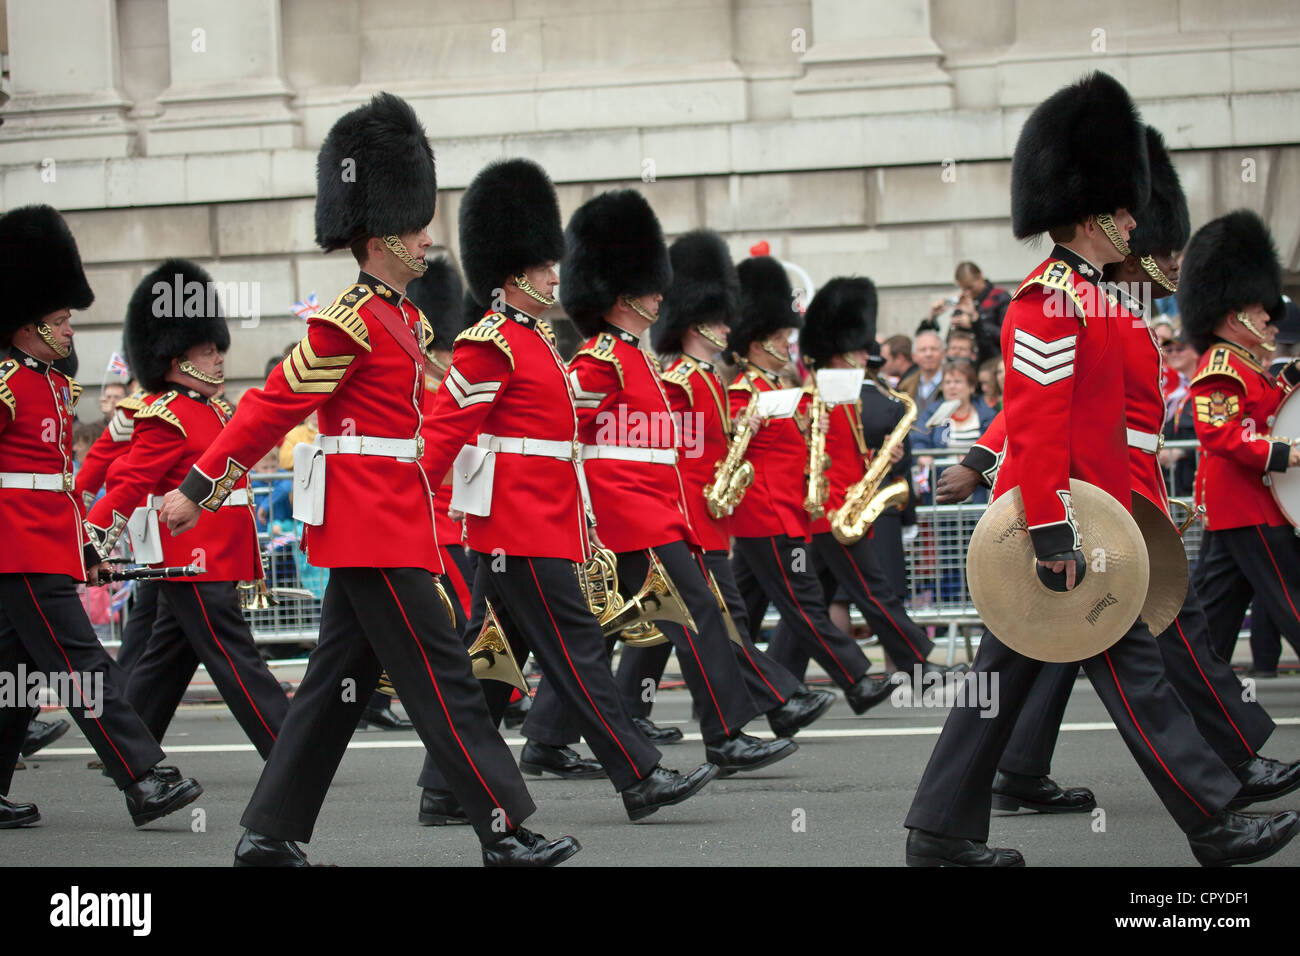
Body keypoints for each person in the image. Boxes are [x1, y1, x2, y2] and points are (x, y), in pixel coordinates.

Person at [161, 94, 578, 867]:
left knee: (329, 687)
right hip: (369, 524)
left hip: (394, 518)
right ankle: (504, 830)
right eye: (416, 224)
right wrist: (197, 486)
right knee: (444, 673)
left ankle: (268, 833)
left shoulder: (407, 321)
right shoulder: (347, 321)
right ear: (382, 232)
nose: (428, 237)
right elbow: (270, 406)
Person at [905, 73, 1297, 867]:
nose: (1134, 222)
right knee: (1137, 676)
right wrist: (1054, 534)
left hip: (1101, 515)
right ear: (1090, 216)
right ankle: (1214, 822)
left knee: (1000, 684)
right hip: (1070, 525)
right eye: (1123, 211)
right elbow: (1041, 429)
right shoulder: (1049, 301)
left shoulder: (1097, 299)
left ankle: (939, 832)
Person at [408, 156, 717, 827]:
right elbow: (441, 437)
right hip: (517, 530)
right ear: (516, 271)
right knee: (577, 649)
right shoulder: (489, 346)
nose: (557, 274)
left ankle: (442, 786)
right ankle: (638, 775)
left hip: (543, 522)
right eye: (545, 265)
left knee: (496, 658)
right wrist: (413, 520)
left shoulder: (538, 341)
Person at [522, 191, 799, 776]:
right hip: (626, 516)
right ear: (621, 295)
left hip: (650, 513)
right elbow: (560, 432)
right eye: (649, 286)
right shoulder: (600, 361)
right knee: (696, 610)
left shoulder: (635, 357)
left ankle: (546, 735)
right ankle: (725, 735)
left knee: (611, 623)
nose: (659, 294)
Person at [0, 204, 204, 830]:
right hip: (15, 546)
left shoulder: (49, 383)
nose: (69, 330)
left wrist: (79, 543)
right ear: (28, 325)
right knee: (81, 661)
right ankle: (143, 777)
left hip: (41, 542)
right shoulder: (6, 382)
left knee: (13, 671)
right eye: (60, 320)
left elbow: (61, 482)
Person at [610, 228, 835, 743]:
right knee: (705, 618)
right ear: (696, 324)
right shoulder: (682, 382)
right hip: (685, 514)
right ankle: (773, 701)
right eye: (716, 319)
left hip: (708, 515)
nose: (725, 327)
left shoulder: (708, 378)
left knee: (684, 622)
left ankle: (623, 716)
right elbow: (679, 456)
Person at [84, 259, 291, 758]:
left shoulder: (213, 409)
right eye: (208, 349)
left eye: (218, 348)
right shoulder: (167, 416)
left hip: (215, 556)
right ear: (177, 357)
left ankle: (125, 751)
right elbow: (129, 484)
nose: (219, 358)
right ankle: (292, 749)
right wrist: (87, 543)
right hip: (192, 559)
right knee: (236, 658)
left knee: (164, 662)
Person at [764, 276, 960, 685]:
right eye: (855, 348)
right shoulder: (821, 392)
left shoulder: (846, 390)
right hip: (830, 511)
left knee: (811, 602)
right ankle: (913, 667)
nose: (862, 355)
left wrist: (877, 459)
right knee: (874, 592)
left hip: (841, 507)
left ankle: (780, 682)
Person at [725, 256, 897, 714]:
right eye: (780, 338)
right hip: (764, 515)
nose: (788, 345)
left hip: (783, 513)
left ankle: (770, 703)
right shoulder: (744, 393)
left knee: (733, 618)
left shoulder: (779, 388)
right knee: (803, 605)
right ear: (759, 342)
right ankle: (855, 679)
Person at [1182, 210, 1300, 667]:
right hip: (1248, 508)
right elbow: (1219, 435)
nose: (1268, 317)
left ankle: (1195, 690)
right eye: (1258, 309)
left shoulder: (1250, 367)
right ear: (1234, 317)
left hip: (1242, 510)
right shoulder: (1220, 368)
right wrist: (1282, 453)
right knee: (1292, 601)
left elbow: (1267, 409)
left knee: (1210, 618)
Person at [953, 260, 1011, 359]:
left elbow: (1007, 335)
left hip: (996, 358)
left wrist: (975, 323)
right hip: (969, 360)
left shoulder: (1000, 297)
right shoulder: (965, 300)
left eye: (970, 287)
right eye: (964, 289)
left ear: (980, 277)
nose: (968, 292)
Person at [911, 330, 944, 405]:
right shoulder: (906, 386)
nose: (928, 354)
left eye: (934, 349)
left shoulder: (953, 384)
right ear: (914, 356)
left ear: (943, 353)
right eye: (923, 350)